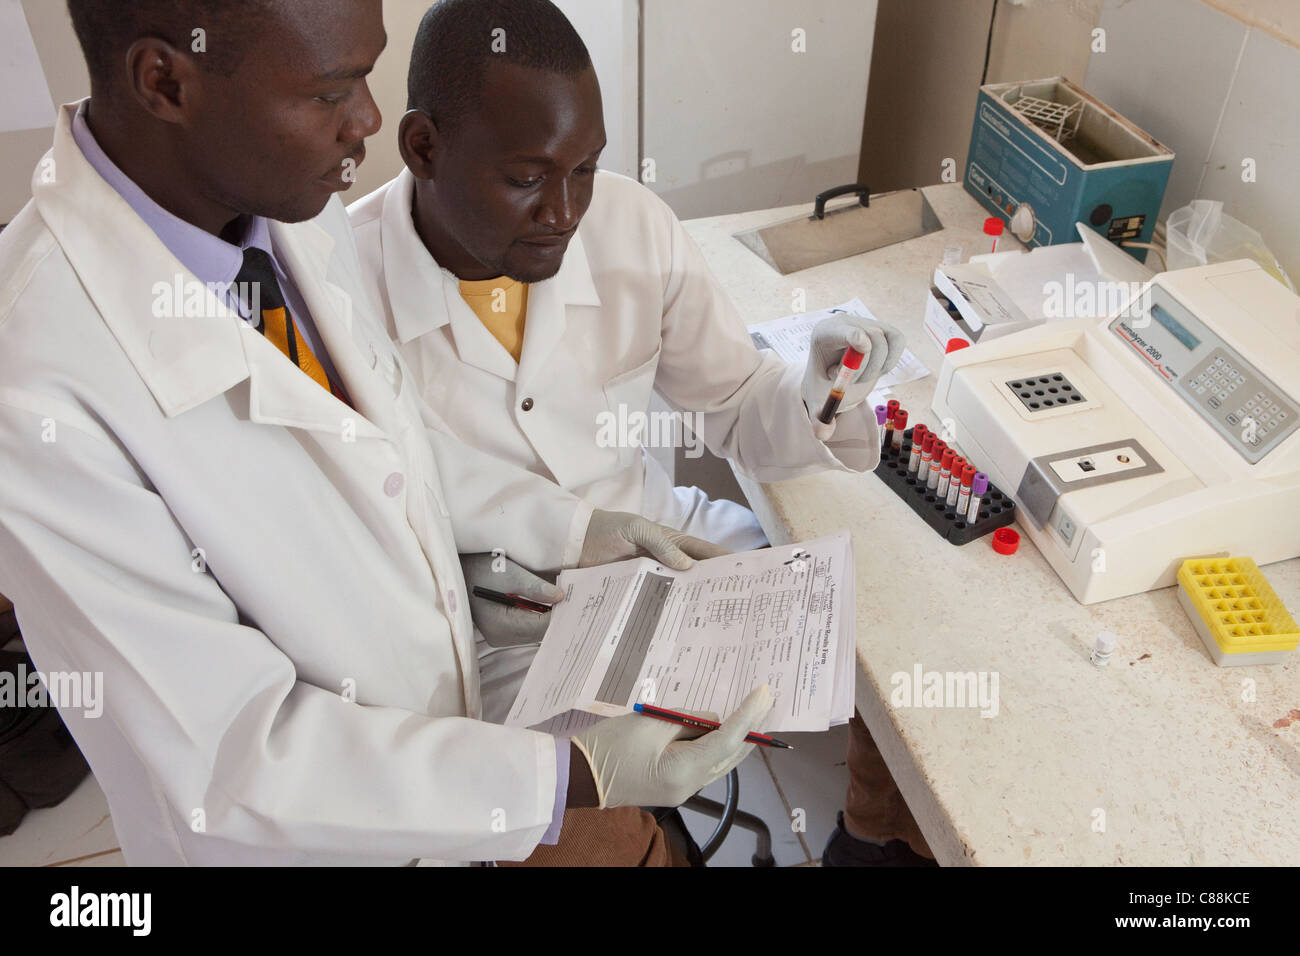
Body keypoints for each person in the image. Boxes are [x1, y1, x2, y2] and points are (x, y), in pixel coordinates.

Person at [0, 0, 770, 867]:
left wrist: (561, 533)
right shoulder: (35, 387)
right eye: (332, 90)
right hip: (320, 835)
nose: (369, 121)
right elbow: (233, 760)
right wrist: (565, 778)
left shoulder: (284, 205)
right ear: (164, 80)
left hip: (451, 737)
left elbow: (382, 441)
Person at [350, 0, 936, 866]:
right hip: (497, 634)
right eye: (527, 178)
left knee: (903, 659)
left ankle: (870, 840)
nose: (565, 210)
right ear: (425, 148)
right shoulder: (336, 285)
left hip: (669, 562)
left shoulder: (630, 224)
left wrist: (821, 389)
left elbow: (735, 405)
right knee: (577, 840)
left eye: (584, 169)